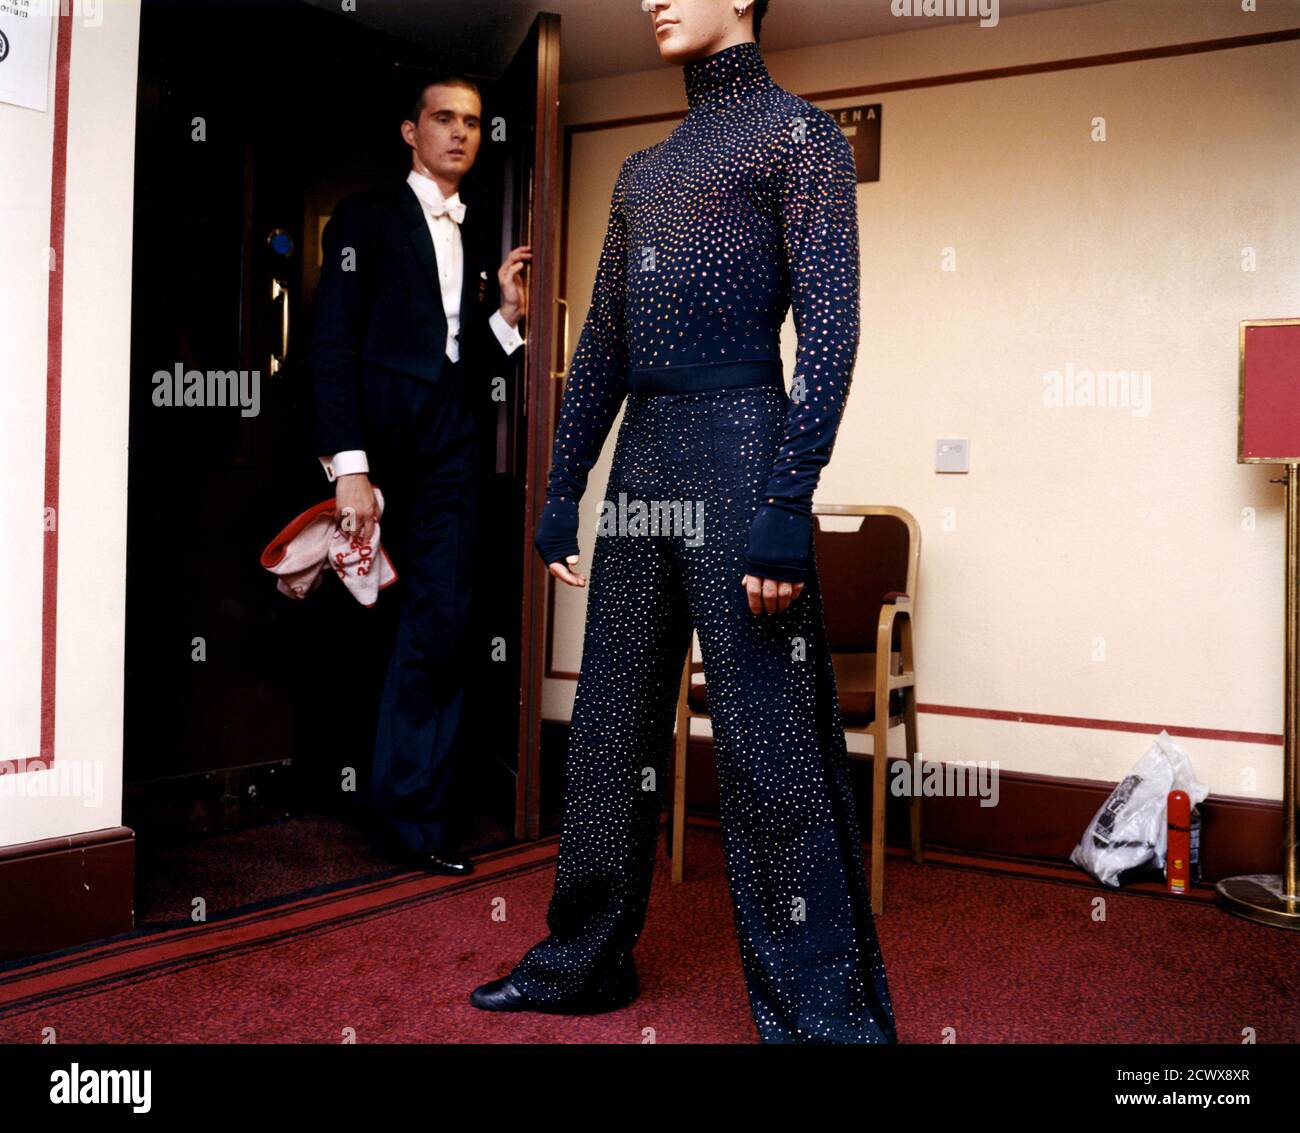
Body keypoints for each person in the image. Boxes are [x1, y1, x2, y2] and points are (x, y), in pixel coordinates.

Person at [470, 0, 898, 1043]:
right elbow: (604, 343)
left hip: (745, 451)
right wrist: (562, 487)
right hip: (644, 461)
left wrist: (789, 501)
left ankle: (821, 1013)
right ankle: (582, 957)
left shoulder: (800, 135)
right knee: (611, 727)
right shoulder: (640, 174)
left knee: (770, 746)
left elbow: (831, 329)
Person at [309, 74, 531, 875]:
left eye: (473, 122)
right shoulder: (365, 218)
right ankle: (356, 800)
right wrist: (351, 469)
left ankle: (416, 824)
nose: (461, 133)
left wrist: (504, 317)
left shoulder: (471, 240)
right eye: (445, 119)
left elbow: (458, 356)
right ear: (411, 130)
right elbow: (330, 346)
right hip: (378, 452)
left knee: (442, 627)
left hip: (450, 453)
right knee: (361, 626)